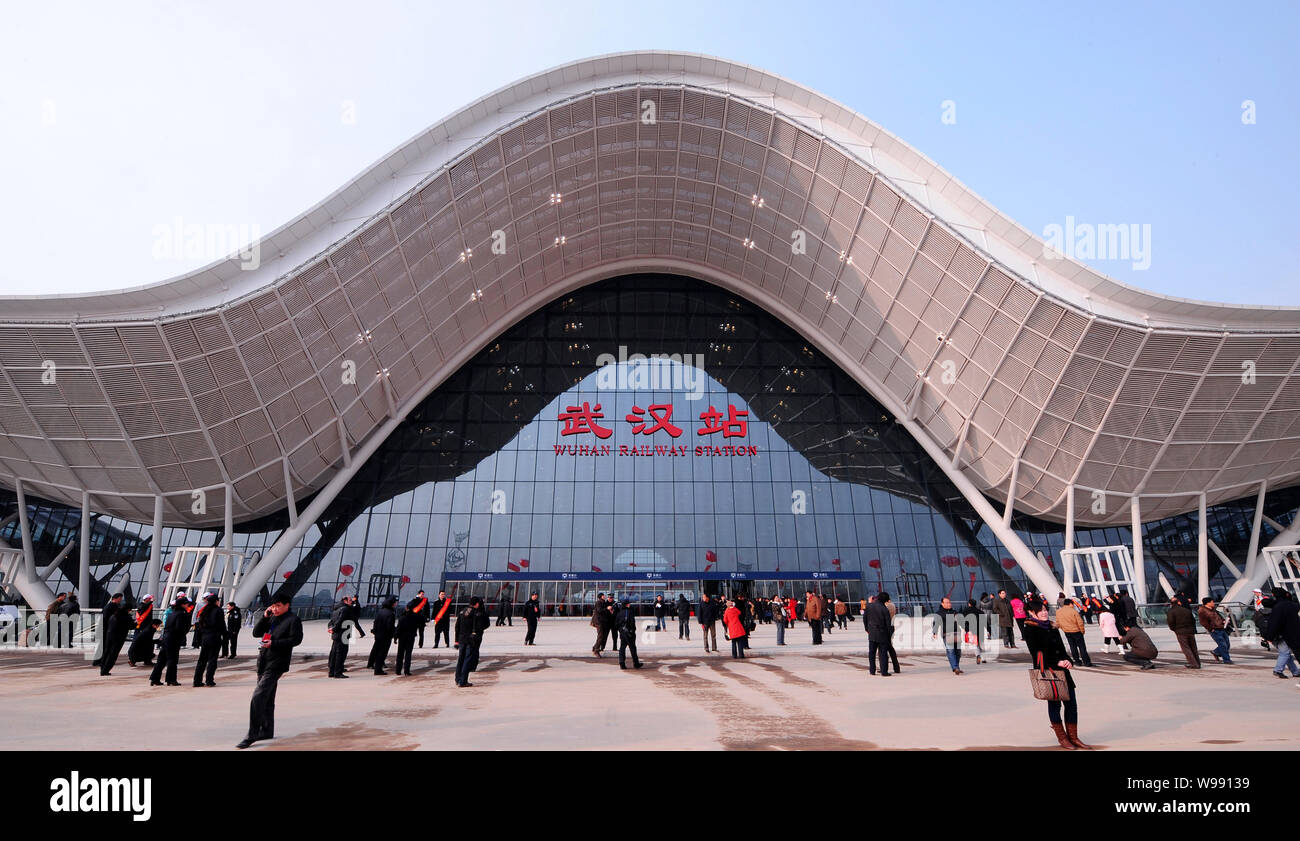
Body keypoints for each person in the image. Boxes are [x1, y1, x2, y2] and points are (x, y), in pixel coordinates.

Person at [1022, 597, 1092, 749]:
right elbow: (1036, 653)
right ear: (1031, 612)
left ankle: (1074, 737)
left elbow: (1061, 648)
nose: (1044, 613)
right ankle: (1063, 738)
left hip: (1063, 671)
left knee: (1071, 705)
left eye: (1045, 610)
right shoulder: (1030, 629)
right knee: (1055, 705)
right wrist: (1056, 662)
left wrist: (1068, 660)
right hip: (1048, 671)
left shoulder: (1052, 627)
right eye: (1040, 611)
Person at [236, 592, 304, 749]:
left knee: (258, 696)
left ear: (287, 605)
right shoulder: (272, 617)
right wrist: (265, 617)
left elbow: (296, 639)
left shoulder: (293, 620)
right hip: (264, 660)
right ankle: (267, 730)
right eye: (273, 606)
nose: (275, 609)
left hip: (277, 663)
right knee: (267, 698)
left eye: (278, 606)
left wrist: (273, 643)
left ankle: (252, 734)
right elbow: (256, 633)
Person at [150, 593, 192, 686]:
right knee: (172, 660)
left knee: (161, 660)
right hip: (173, 639)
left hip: (166, 637)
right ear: (182, 605)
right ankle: (171, 679)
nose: (188, 605)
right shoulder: (181, 614)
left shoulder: (172, 613)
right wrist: (183, 634)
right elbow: (180, 628)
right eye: (186, 603)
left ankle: (154, 678)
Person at [191, 591, 229, 687]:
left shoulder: (204, 610)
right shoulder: (218, 610)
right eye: (218, 601)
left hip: (205, 637)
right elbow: (221, 625)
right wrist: (226, 636)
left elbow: (200, 625)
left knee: (202, 660)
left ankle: (197, 680)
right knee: (212, 660)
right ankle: (209, 680)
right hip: (215, 637)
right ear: (216, 602)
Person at [1263, 589, 1300, 679]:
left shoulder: (1276, 608)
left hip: (1279, 635)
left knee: (1286, 653)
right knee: (1286, 653)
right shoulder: (1292, 606)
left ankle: (1295, 671)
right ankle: (1278, 670)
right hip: (1288, 634)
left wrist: (1269, 637)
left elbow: (1274, 623)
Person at [454, 596, 490, 686]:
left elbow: (457, 627)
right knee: (467, 660)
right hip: (471, 640)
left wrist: (456, 640)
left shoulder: (462, 612)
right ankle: (463, 681)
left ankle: (458, 679)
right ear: (477, 604)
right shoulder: (477, 613)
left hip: (462, 639)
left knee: (461, 659)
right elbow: (483, 625)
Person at [96, 593, 131, 675]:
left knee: (107, 651)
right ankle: (105, 670)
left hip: (109, 634)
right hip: (118, 637)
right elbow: (131, 626)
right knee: (113, 654)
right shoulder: (124, 616)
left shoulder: (113, 615)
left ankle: (102, 667)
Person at [1055, 598, 1092, 667]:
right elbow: (1080, 622)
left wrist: (1064, 628)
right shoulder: (1073, 611)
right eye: (1073, 604)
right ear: (1070, 604)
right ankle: (1086, 662)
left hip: (1067, 631)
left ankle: (1077, 661)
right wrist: (1082, 631)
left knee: (1073, 646)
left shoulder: (1058, 611)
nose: (1073, 606)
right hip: (1076, 631)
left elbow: (1058, 622)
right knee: (1082, 647)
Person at [1166, 595, 1201, 669]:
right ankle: (1197, 663)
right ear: (1178, 602)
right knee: (1193, 647)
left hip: (1180, 631)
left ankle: (1193, 664)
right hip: (1190, 631)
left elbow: (1171, 622)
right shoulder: (1186, 610)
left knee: (1186, 648)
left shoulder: (1171, 611)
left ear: (1171, 604)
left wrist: (1174, 629)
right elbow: (1193, 620)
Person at [932, 596, 964, 675]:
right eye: (947, 602)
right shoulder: (939, 613)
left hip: (957, 633)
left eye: (949, 602)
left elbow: (961, 621)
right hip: (947, 634)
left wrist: (966, 629)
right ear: (942, 603)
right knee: (950, 650)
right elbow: (935, 623)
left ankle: (957, 667)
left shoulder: (954, 612)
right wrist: (934, 632)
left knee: (958, 652)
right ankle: (955, 668)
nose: (949, 604)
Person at [368, 596, 397, 674]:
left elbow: (375, 622)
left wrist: (375, 631)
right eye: (395, 602)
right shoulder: (391, 613)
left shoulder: (381, 611)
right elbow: (390, 626)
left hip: (378, 635)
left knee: (376, 650)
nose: (396, 603)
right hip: (386, 636)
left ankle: (372, 664)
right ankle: (378, 669)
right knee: (382, 653)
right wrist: (394, 633)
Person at [1199, 597, 1233, 664]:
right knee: (1223, 645)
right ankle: (1227, 660)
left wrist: (1223, 621)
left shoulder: (1213, 609)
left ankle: (1216, 652)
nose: (1213, 603)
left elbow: (1218, 617)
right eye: (1212, 602)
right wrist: (1211, 629)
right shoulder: (1202, 611)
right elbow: (1203, 622)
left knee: (1227, 644)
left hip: (1221, 628)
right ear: (1208, 603)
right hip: (1215, 630)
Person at [866, 592, 893, 676]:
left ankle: (872, 670)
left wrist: (867, 629)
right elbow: (888, 624)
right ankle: (884, 671)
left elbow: (865, 619)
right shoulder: (884, 609)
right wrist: (889, 635)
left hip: (872, 633)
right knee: (883, 653)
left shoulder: (869, 606)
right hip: (882, 633)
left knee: (872, 653)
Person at [126, 594, 156, 666]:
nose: (151, 600)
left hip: (147, 627)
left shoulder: (148, 606)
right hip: (141, 628)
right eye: (149, 599)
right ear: (146, 599)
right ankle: (133, 660)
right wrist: (150, 602)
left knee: (148, 644)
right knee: (137, 643)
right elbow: (142, 608)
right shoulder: (141, 605)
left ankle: (147, 660)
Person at [615, 598, 643, 670]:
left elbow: (616, 624)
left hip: (622, 633)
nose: (630, 604)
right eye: (628, 603)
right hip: (629, 633)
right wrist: (632, 631)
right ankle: (636, 663)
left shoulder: (619, 613)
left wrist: (620, 631)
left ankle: (622, 663)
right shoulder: (630, 612)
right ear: (627, 605)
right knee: (632, 648)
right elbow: (632, 623)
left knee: (622, 648)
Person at [394, 602, 420, 677]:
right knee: (408, 654)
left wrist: (395, 637)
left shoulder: (402, 617)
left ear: (406, 608)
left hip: (402, 637)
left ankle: (398, 670)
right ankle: (407, 670)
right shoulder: (415, 617)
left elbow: (398, 629)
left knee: (400, 654)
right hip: (411, 637)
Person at [964, 597, 987, 665]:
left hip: (971, 630)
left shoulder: (965, 611)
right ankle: (984, 658)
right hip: (980, 629)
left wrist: (966, 629)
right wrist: (989, 630)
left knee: (975, 644)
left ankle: (978, 655)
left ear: (969, 604)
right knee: (981, 644)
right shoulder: (980, 612)